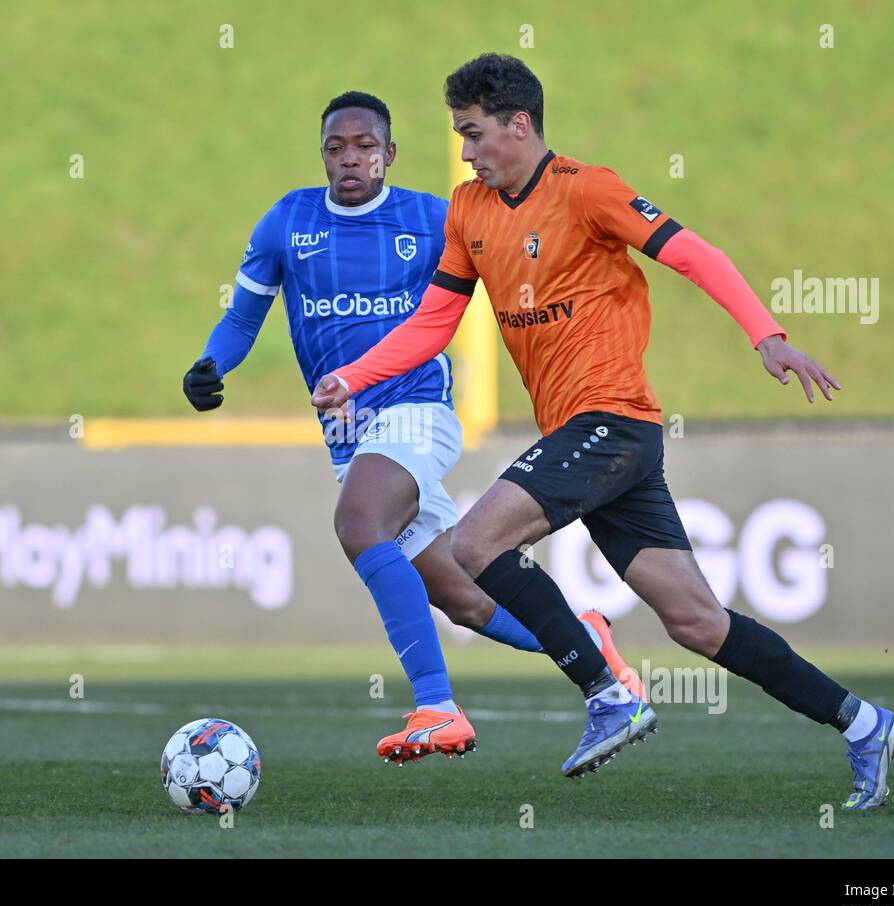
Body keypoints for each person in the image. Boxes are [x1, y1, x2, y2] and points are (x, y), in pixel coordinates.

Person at [313, 55, 894, 809]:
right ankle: (865, 724)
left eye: (473, 133)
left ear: (519, 124)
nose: (465, 152)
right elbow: (436, 319)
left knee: (474, 544)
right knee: (697, 623)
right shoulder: (470, 210)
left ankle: (606, 691)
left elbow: (693, 253)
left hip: (613, 419)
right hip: (586, 439)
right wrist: (356, 377)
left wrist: (767, 334)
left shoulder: (587, 190)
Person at [186, 90, 643, 764]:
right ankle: (585, 638)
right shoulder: (288, 222)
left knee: (358, 526)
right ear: (323, 154)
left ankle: (436, 707)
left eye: (365, 146)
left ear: (389, 154)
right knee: (460, 595)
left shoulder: (431, 219)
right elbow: (243, 317)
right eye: (336, 148)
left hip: (416, 413)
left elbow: (520, 263)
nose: (350, 159)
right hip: (351, 439)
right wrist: (210, 363)